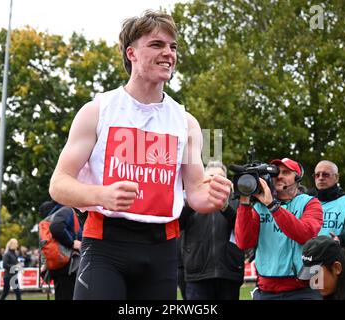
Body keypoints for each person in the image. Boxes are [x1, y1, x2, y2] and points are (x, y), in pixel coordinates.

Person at [48, 10, 232, 300]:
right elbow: (59, 184)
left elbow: (196, 193)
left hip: (162, 249)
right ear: (131, 53)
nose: (168, 53)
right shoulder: (97, 111)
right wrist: (101, 195)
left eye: (173, 47)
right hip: (106, 245)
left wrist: (216, 193)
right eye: (157, 45)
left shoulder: (186, 122)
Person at [235, 157, 323, 300]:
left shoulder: (310, 203)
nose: (279, 176)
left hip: (302, 289)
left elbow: (304, 234)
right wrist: (244, 201)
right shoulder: (259, 207)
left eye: (286, 172)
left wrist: (272, 206)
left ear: (298, 177)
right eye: (276, 173)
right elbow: (244, 243)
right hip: (266, 289)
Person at [179, 161, 244, 300]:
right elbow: (177, 225)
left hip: (229, 271)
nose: (215, 181)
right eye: (211, 176)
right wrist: (193, 203)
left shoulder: (236, 201)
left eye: (220, 177)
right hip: (198, 273)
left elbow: (243, 229)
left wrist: (225, 207)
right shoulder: (190, 201)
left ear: (226, 181)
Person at [310, 160, 345, 246]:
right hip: (310, 256)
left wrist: (340, 240)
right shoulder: (308, 202)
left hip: (340, 256)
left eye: (325, 174)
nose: (320, 178)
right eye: (317, 175)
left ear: (336, 177)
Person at [39, 200, 83, 300]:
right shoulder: (66, 210)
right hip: (69, 264)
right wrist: (72, 242)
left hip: (58, 264)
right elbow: (57, 228)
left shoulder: (50, 218)